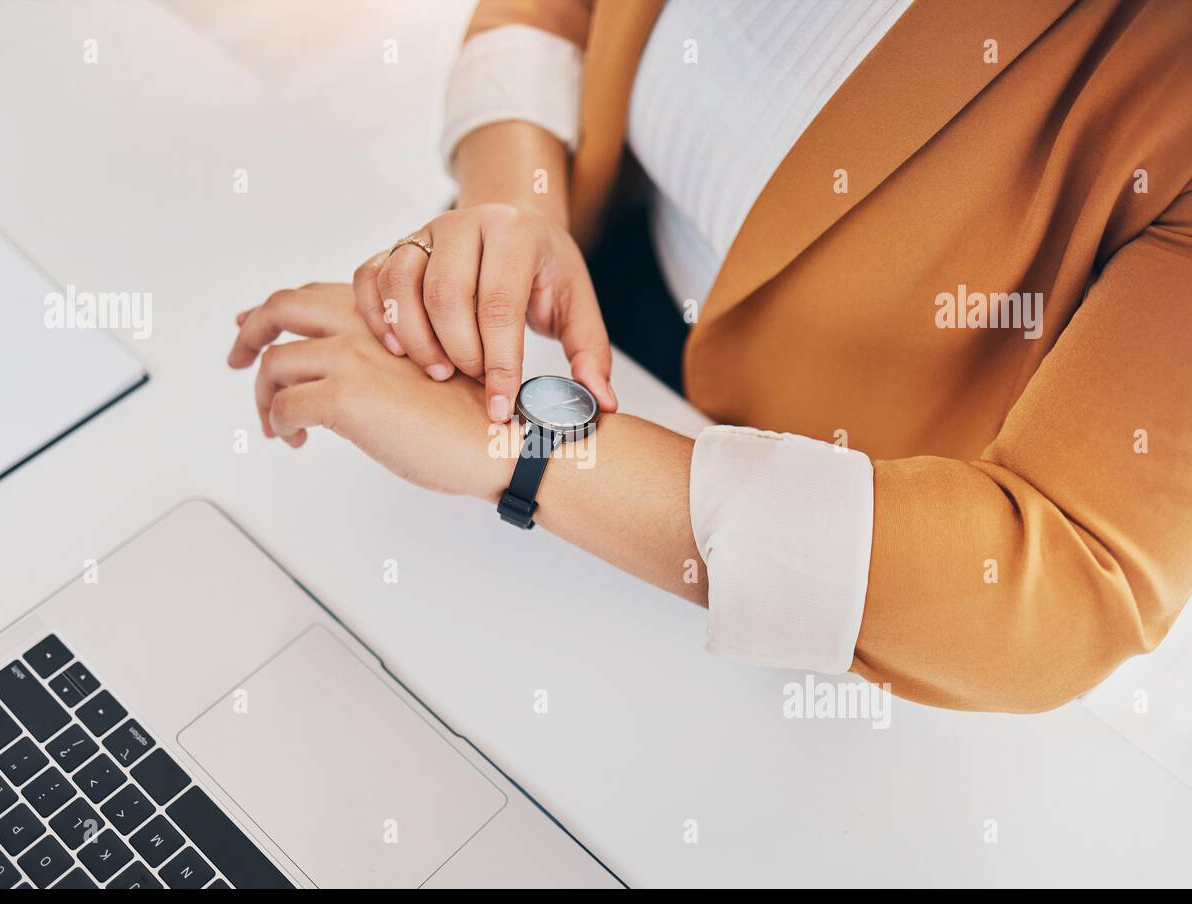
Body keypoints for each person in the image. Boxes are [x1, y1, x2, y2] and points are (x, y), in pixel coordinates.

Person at [227, 0, 1192, 713]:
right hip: (580, 288)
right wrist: (514, 203)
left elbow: (1072, 572)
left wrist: (529, 449)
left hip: (811, 565)